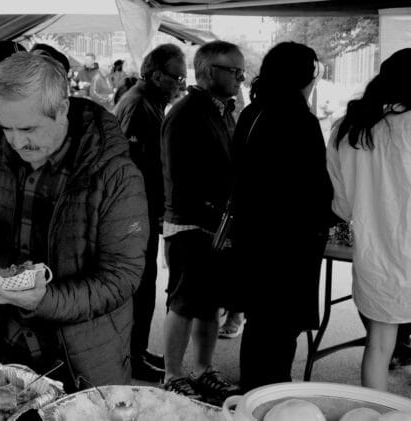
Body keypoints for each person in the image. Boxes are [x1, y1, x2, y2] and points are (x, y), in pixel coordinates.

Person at [0, 52, 148, 389]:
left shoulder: (114, 174)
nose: (18, 142)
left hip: (85, 361)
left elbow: (121, 277)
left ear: (62, 109)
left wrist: (44, 301)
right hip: (6, 346)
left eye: (29, 128)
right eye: (7, 128)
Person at [231, 42, 334, 391]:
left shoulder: (253, 112)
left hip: (253, 237)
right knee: (279, 333)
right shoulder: (299, 120)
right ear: (306, 76)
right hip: (288, 246)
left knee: (260, 326)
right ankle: (273, 400)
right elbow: (316, 190)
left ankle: (251, 394)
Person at [160, 40, 245, 404]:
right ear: (210, 71)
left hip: (216, 222)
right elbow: (180, 175)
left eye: (241, 71)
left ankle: (203, 368)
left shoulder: (224, 109)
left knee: (209, 302)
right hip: (190, 222)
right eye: (234, 71)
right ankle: (172, 374)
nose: (241, 78)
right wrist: (215, 204)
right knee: (183, 302)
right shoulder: (185, 112)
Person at [327, 48, 411, 392]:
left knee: (378, 346)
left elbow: (342, 205)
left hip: (376, 255)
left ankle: (375, 417)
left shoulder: (345, 130)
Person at [113, 43, 187, 383]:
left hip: (143, 212)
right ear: (156, 75)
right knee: (139, 290)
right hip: (135, 215)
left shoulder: (149, 102)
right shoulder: (140, 106)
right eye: (176, 77)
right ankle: (132, 357)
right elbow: (133, 168)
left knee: (144, 289)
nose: (181, 84)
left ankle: (137, 351)